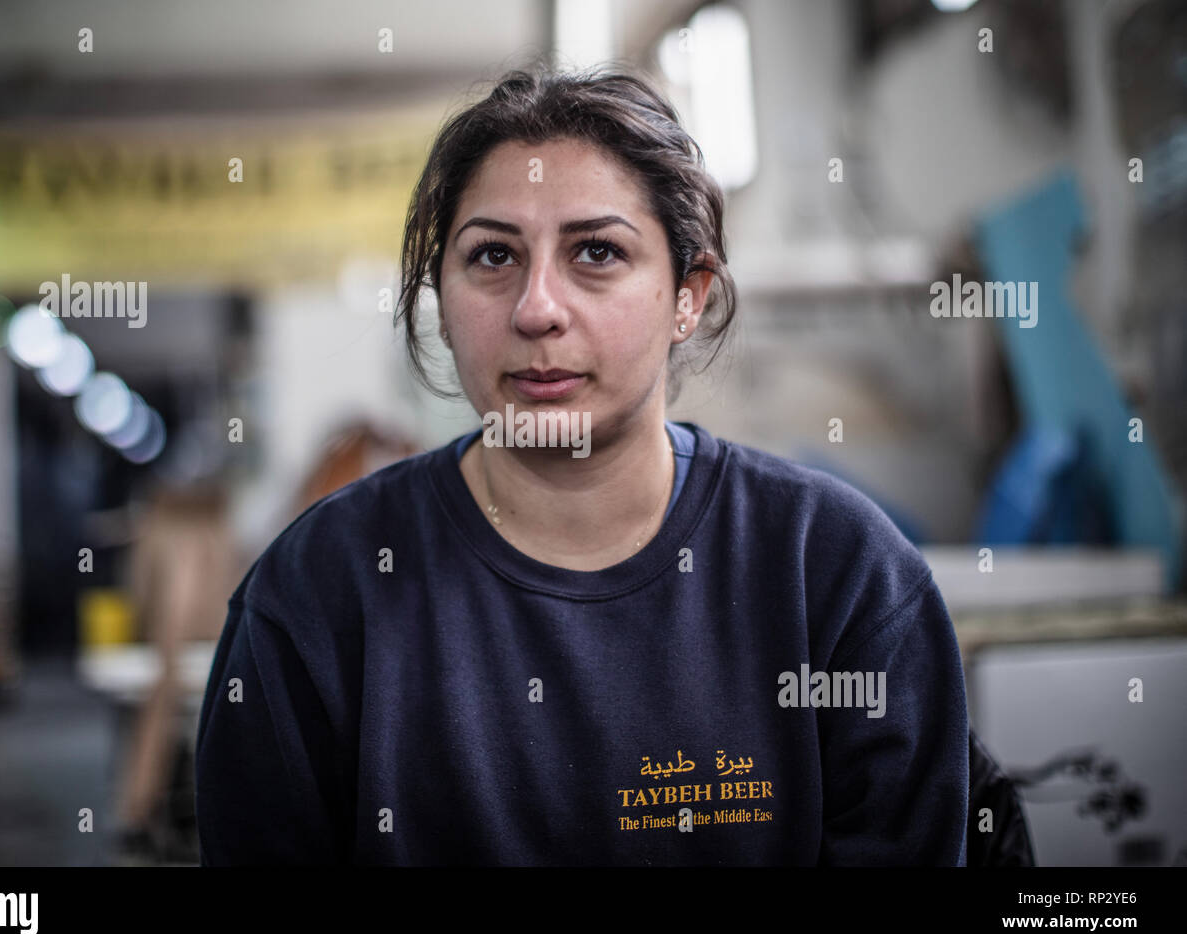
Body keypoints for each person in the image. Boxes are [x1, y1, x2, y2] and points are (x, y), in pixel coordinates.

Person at [194, 65, 969, 865]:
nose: (536, 308)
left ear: (688, 295)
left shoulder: (838, 573)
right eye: (492, 257)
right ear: (443, 297)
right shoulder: (317, 594)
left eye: (596, 251)